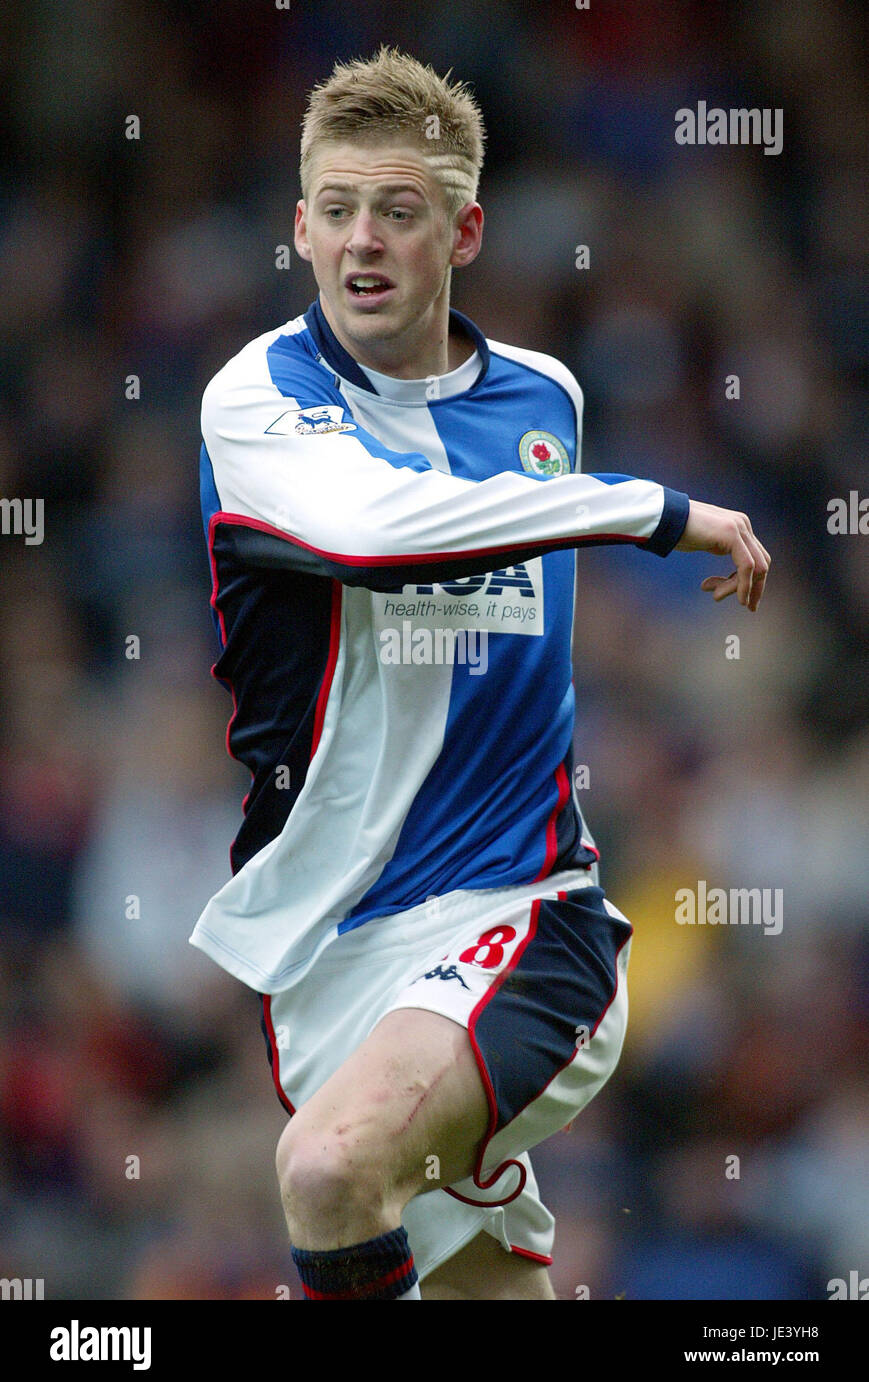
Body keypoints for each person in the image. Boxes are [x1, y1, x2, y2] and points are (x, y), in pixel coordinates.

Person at [191, 47, 770, 1301]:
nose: (362, 241)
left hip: (527, 913)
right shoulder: (257, 399)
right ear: (298, 225)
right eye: (336, 210)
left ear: (463, 228)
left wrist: (601, 502)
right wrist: (643, 508)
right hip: (336, 950)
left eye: (398, 212)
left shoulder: (542, 398)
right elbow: (375, 537)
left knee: (331, 1169)